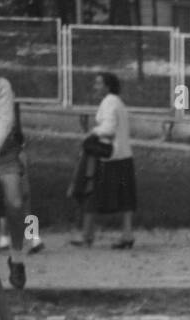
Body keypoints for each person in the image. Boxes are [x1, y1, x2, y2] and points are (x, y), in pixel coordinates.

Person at [0, 38, 32, 288]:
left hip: (4, 152)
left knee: (16, 202)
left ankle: (17, 255)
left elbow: (4, 117)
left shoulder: (1, 86)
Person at [71, 72, 136, 249]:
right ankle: (127, 234)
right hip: (124, 155)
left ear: (107, 86)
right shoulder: (118, 102)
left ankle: (87, 235)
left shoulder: (108, 102)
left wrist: (91, 134)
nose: (95, 86)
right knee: (125, 197)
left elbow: (108, 127)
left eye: (99, 83)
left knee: (92, 193)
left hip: (109, 157)